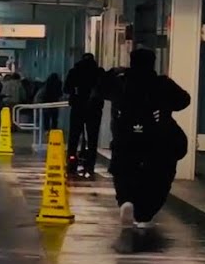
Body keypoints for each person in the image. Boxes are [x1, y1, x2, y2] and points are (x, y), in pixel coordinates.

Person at [106, 48, 191, 231]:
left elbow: (99, 89)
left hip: (125, 140)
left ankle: (126, 201)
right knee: (159, 177)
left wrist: (114, 72)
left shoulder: (121, 82)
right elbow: (184, 100)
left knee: (123, 173)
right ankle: (145, 214)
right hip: (157, 142)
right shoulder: (162, 84)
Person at [63, 53, 104, 179]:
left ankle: (72, 162)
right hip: (94, 109)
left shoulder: (75, 71)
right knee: (92, 139)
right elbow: (104, 89)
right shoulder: (98, 72)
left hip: (78, 107)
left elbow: (66, 88)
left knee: (74, 137)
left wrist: (75, 93)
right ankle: (89, 165)